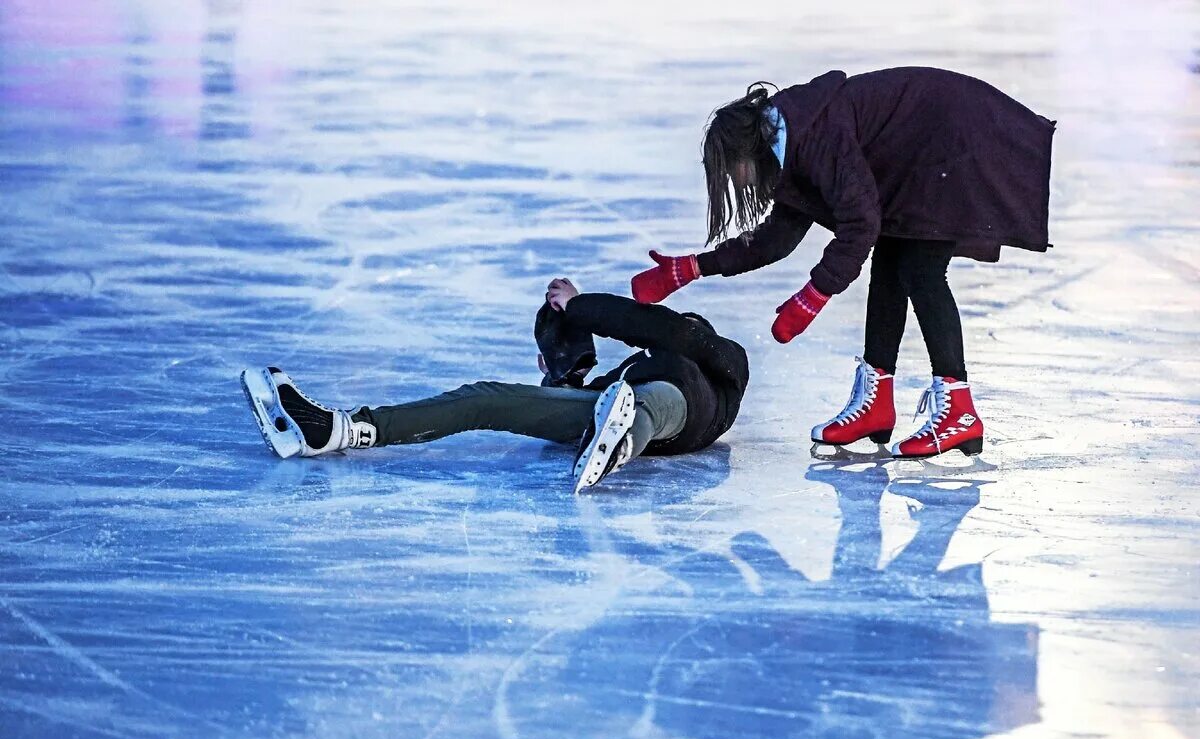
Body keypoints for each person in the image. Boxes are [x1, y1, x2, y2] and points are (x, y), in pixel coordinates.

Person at [630, 67, 1055, 458]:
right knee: (891, 264)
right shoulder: (788, 146)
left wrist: (813, 296)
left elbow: (860, 223)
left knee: (919, 269)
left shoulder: (815, 138)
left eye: (731, 169)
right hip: (922, 153)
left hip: (952, 138)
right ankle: (877, 402)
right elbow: (776, 239)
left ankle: (958, 409)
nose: (733, 180)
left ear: (748, 149)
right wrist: (690, 268)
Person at [240, 279, 749, 492]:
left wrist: (578, 306)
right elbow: (580, 390)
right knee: (484, 398)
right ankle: (335, 431)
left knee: (648, 404)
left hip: (683, 409)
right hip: (609, 412)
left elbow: (668, 330)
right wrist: (565, 373)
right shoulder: (612, 385)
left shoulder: (715, 356)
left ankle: (621, 443)